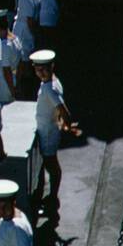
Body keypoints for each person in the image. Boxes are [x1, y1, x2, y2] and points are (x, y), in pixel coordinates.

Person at [31, 49, 81, 216]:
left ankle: (52, 199)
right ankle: (51, 197)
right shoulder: (51, 82)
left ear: (51, 66)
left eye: (44, 69)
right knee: (49, 166)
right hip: (48, 129)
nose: (41, 72)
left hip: (47, 134)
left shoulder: (49, 89)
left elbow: (64, 111)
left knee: (51, 166)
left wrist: (66, 125)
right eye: (38, 69)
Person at [4, 0, 41, 99]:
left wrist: (36, 38)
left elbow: (30, 22)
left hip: (25, 39)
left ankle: (22, 94)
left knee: (23, 70)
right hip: (26, 37)